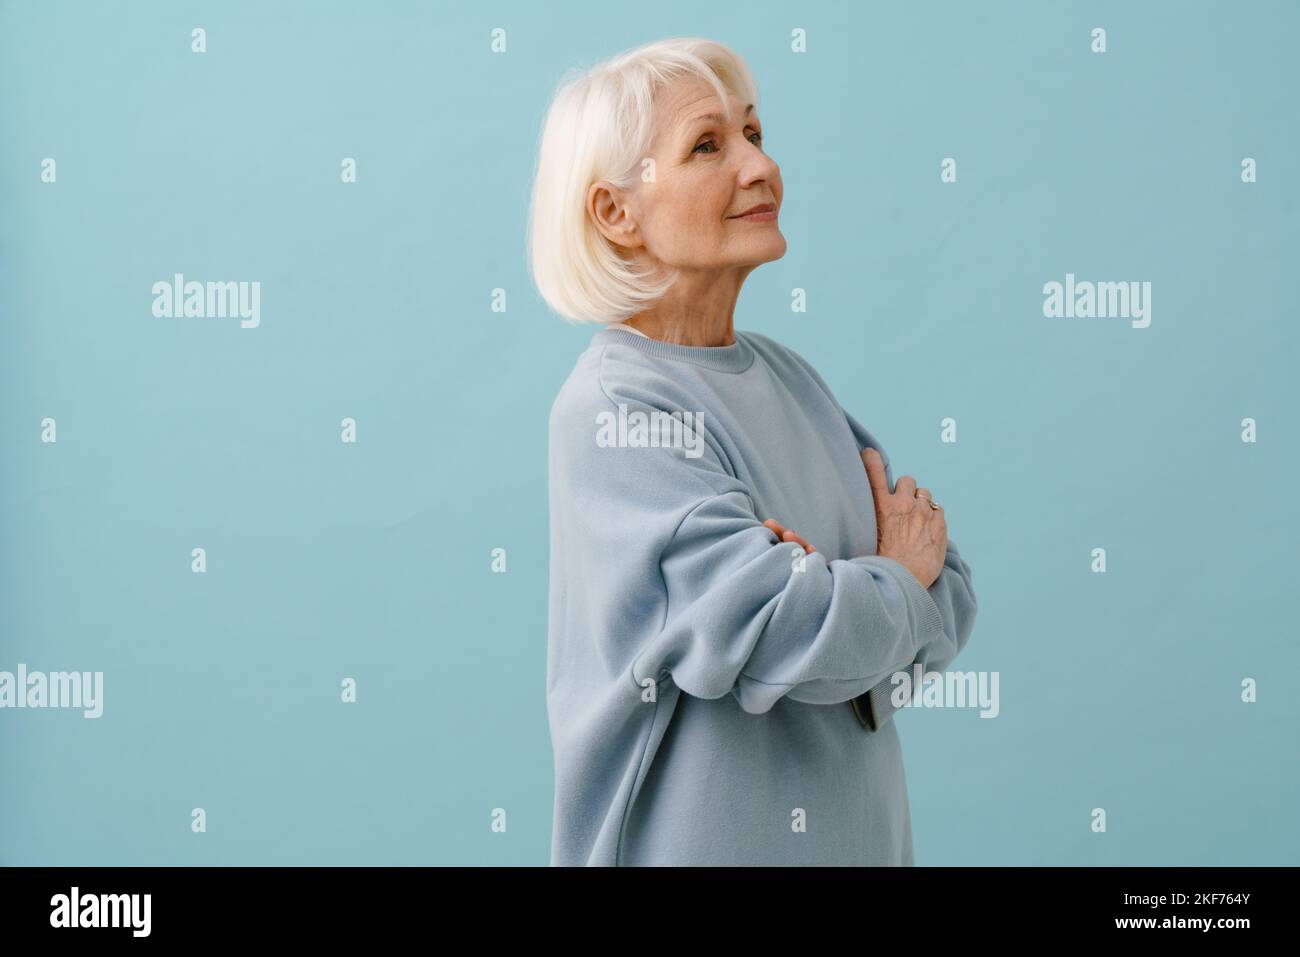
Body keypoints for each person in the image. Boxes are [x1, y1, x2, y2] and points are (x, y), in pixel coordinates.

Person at [528, 37, 978, 866]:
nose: (759, 167)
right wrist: (878, 586)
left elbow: (947, 590)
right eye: (708, 145)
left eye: (755, 134)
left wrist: (851, 597)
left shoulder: (792, 380)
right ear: (615, 212)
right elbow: (781, 630)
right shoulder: (614, 409)